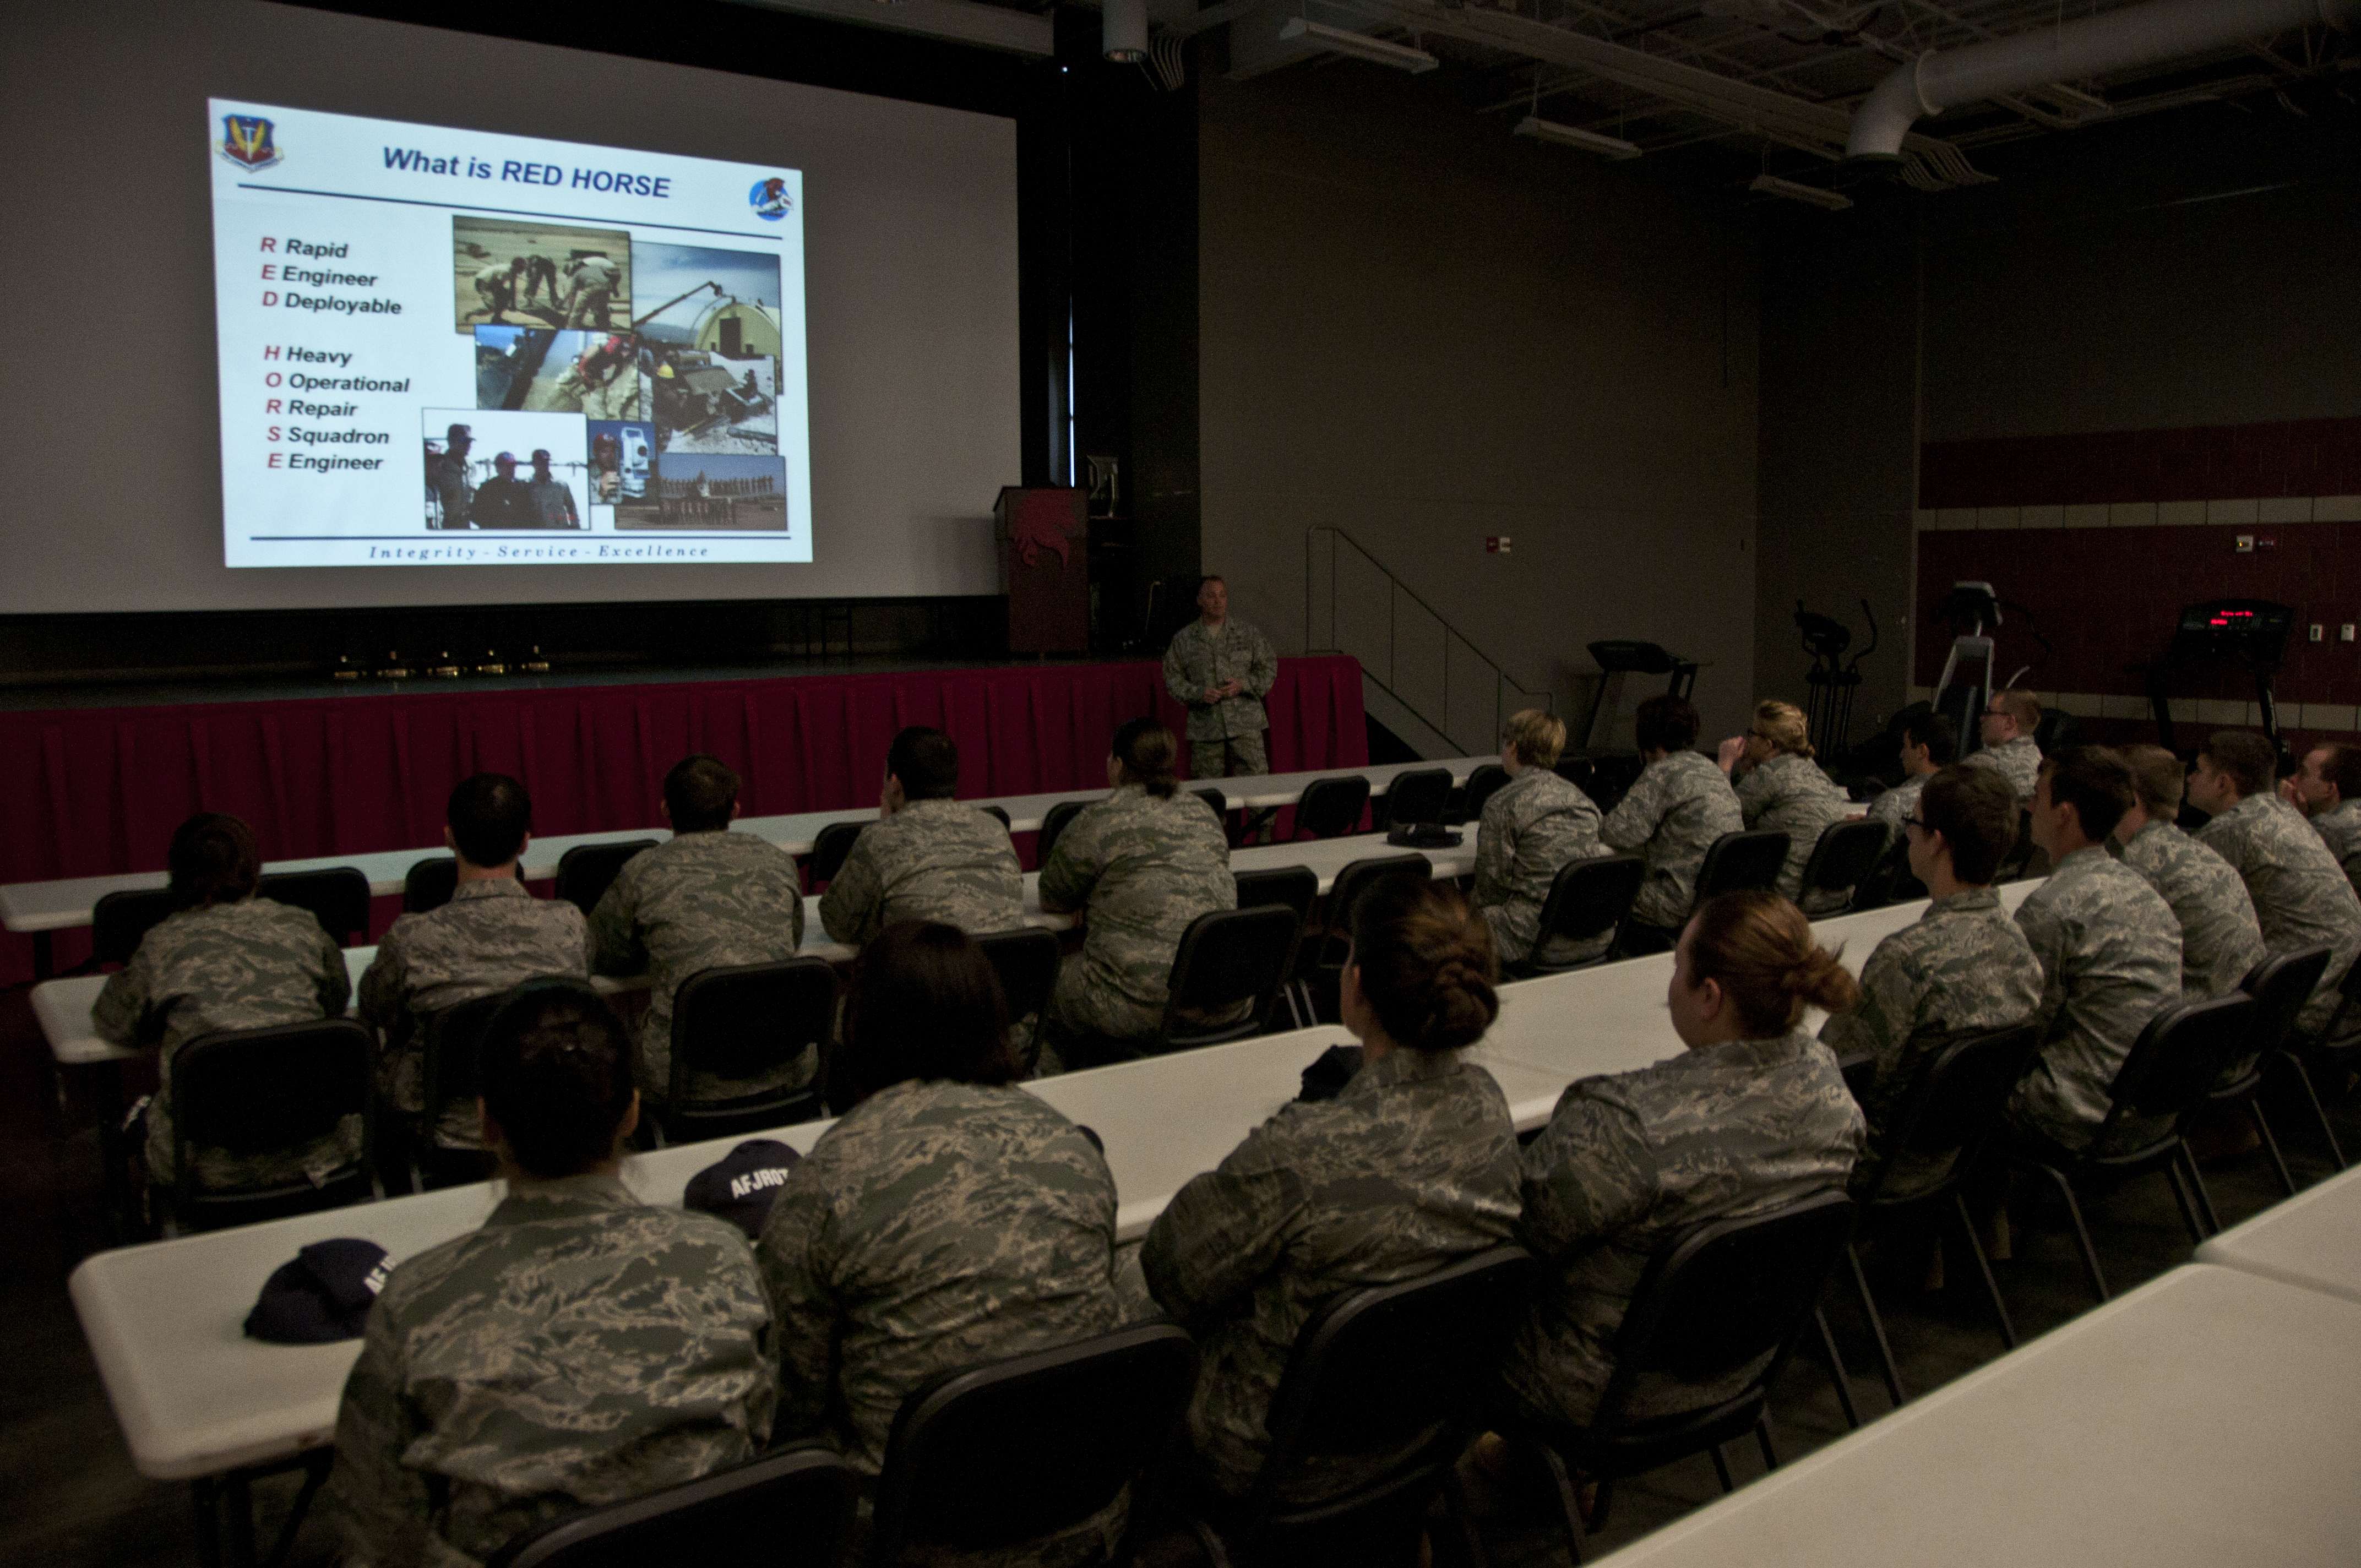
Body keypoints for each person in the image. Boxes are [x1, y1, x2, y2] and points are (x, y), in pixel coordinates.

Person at [325, 982, 774, 1567]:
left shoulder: (414, 1303)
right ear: (631, 1114)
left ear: (486, 1123)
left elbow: (377, 1536)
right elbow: (762, 1437)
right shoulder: (723, 1257)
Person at [1140, 879, 1520, 1501]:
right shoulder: (1491, 1111)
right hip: (1425, 1432)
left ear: (1357, 984)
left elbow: (1169, 1271)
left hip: (1272, 1457)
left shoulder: (1301, 1153)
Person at [759, 923, 1124, 1565]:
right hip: (1086, 1517)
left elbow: (788, 1404)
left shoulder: (828, 1179)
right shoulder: (1071, 1145)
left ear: (858, 1029)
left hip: (911, 1538)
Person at [1494, 891, 1864, 1439]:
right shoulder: (1832, 1093)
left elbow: (1515, 1240)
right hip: (1742, 1368)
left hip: (1599, 1389)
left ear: (1710, 996)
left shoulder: (1625, 1123)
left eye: (1677, 968)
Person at [91, 813, 352, 1196]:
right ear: (253, 868)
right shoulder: (301, 925)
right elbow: (335, 1001)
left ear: (176, 874)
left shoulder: (163, 943)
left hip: (204, 1168)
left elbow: (116, 1025)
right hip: (320, 1155)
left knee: (139, 1117)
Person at [1821, 766, 2042, 1198]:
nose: (1908, 835)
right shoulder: (2020, 948)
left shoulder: (1909, 960)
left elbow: (1836, 1073)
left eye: (1914, 823)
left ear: (1936, 840)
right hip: (1956, 1157)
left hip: (1875, 1163)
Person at [359, 774, 591, 1148]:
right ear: (526, 842)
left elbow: (376, 1010)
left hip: (445, 1132)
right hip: (550, 1116)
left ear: (449, 837)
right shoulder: (569, 925)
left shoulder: (412, 938)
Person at [589, 754, 807, 1103]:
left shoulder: (642, 872)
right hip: (784, 1066)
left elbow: (605, 954)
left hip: (683, 1080)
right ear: (735, 810)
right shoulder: (777, 861)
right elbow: (792, 940)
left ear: (665, 809)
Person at [2004, 748, 2183, 1156]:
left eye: (2037, 795)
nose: (2029, 807)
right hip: (2153, 1111)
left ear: (2064, 814)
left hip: (2078, 1119)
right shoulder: (2145, 894)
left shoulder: (2052, 909)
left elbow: (2018, 1034)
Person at [1037, 718, 1236, 1068]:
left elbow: (1052, 898)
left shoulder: (1100, 819)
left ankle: (1059, 1089)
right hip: (1221, 996)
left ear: (1118, 765)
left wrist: (1092, 897)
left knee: (1037, 990)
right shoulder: (1203, 813)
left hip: (1141, 1004)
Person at [2190, 729, 2361, 1036]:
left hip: (2305, 1007)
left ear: (2223, 783)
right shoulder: (2287, 814)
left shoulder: (2231, 828)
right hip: (2342, 1003)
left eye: (2199, 770)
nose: (2190, 779)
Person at [820, 726, 1022, 946]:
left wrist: (885, 826)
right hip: (998, 967)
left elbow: (837, 923)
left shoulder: (880, 838)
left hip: (924, 967)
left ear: (895, 783)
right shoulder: (994, 827)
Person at [2114, 744, 2266, 1003]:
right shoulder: (2197, 850)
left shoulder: (2142, 864)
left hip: (2200, 1016)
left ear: (2132, 799)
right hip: (2238, 1010)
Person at [1600, 694, 1744, 951]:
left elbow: (1616, 835)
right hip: (1714, 903)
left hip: (1673, 905)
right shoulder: (1711, 770)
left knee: (1593, 887)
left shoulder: (1661, 773)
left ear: (1647, 740)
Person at [1472, 707, 1613, 967]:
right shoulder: (1583, 801)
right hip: (1592, 934)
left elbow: (1491, 890)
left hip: (1534, 939)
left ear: (1513, 747)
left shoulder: (1503, 805)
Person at [1718, 699, 1849, 911]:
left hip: (1786, 897)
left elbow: (1719, 817)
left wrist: (1725, 764)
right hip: (1829, 897)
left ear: (1769, 745)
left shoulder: (1771, 774)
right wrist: (1746, 773)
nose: (1749, 740)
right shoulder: (1814, 771)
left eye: (1753, 734)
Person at [1162, 575, 1278, 779]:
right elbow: (1172, 678)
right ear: (1199, 600)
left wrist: (1244, 685)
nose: (1218, 601)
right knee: (1207, 789)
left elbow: (1268, 667)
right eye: (1211, 596)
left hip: (1245, 724)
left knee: (1257, 786)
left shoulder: (1247, 634)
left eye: (1222, 595)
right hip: (1206, 727)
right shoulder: (1185, 639)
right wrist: (1198, 693)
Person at [2280, 741, 2361, 899]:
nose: (2292, 779)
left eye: (2303, 773)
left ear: (2329, 789)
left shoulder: (2327, 829)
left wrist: (2285, 813)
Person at [1864, 710, 1957, 835]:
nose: (1901, 754)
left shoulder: (1893, 802)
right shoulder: (1969, 798)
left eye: (1905, 746)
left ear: (1922, 751)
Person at [1966, 689, 2044, 803]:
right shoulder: (2040, 762)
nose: (1982, 718)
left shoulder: (1982, 764)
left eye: (1989, 712)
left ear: (2009, 723)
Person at [560, 334, 641, 421]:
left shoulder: (618, 356)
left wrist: (609, 381)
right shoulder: (597, 348)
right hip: (579, 370)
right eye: (613, 347)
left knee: (599, 400)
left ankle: (600, 419)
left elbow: (618, 371)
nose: (614, 349)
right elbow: (582, 364)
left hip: (596, 375)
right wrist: (586, 378)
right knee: (564, 387)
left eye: (617, 348)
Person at [467, 451, 537, 530]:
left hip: (518, 532)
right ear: (498, 469)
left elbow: (531, 513)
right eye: (506, 466)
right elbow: (475, 514)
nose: (510, 469)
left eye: (513, 466)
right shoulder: (488, 489)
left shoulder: (523, 488)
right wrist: (494, 523)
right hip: (495, 533)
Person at [427, 423, 471, 530]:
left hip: (466, 526)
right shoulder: (439, 467)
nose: (468, 445)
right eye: (463, 441)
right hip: (446, 527)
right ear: (451, 442)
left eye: (469, 441)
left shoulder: (471, 467)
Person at [562, 252, 622, 330]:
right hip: (606, 287)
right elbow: (610, 276)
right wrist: (614, 290)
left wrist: (569, 312)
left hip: (592, 287)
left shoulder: (577, 274)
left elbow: (572, 295)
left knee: (577, 312)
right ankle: (604, 328)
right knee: (601, 309)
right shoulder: (596, 268)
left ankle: (571, 330)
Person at [525, 449, 579, 530]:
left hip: (560, 531)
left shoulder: (560, 485)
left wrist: (575, 527)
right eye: (541, 463)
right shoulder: (527, 486)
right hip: (539, 532)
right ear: (533, 464)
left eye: (546, 462)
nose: (545, 466)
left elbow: (572, 508)